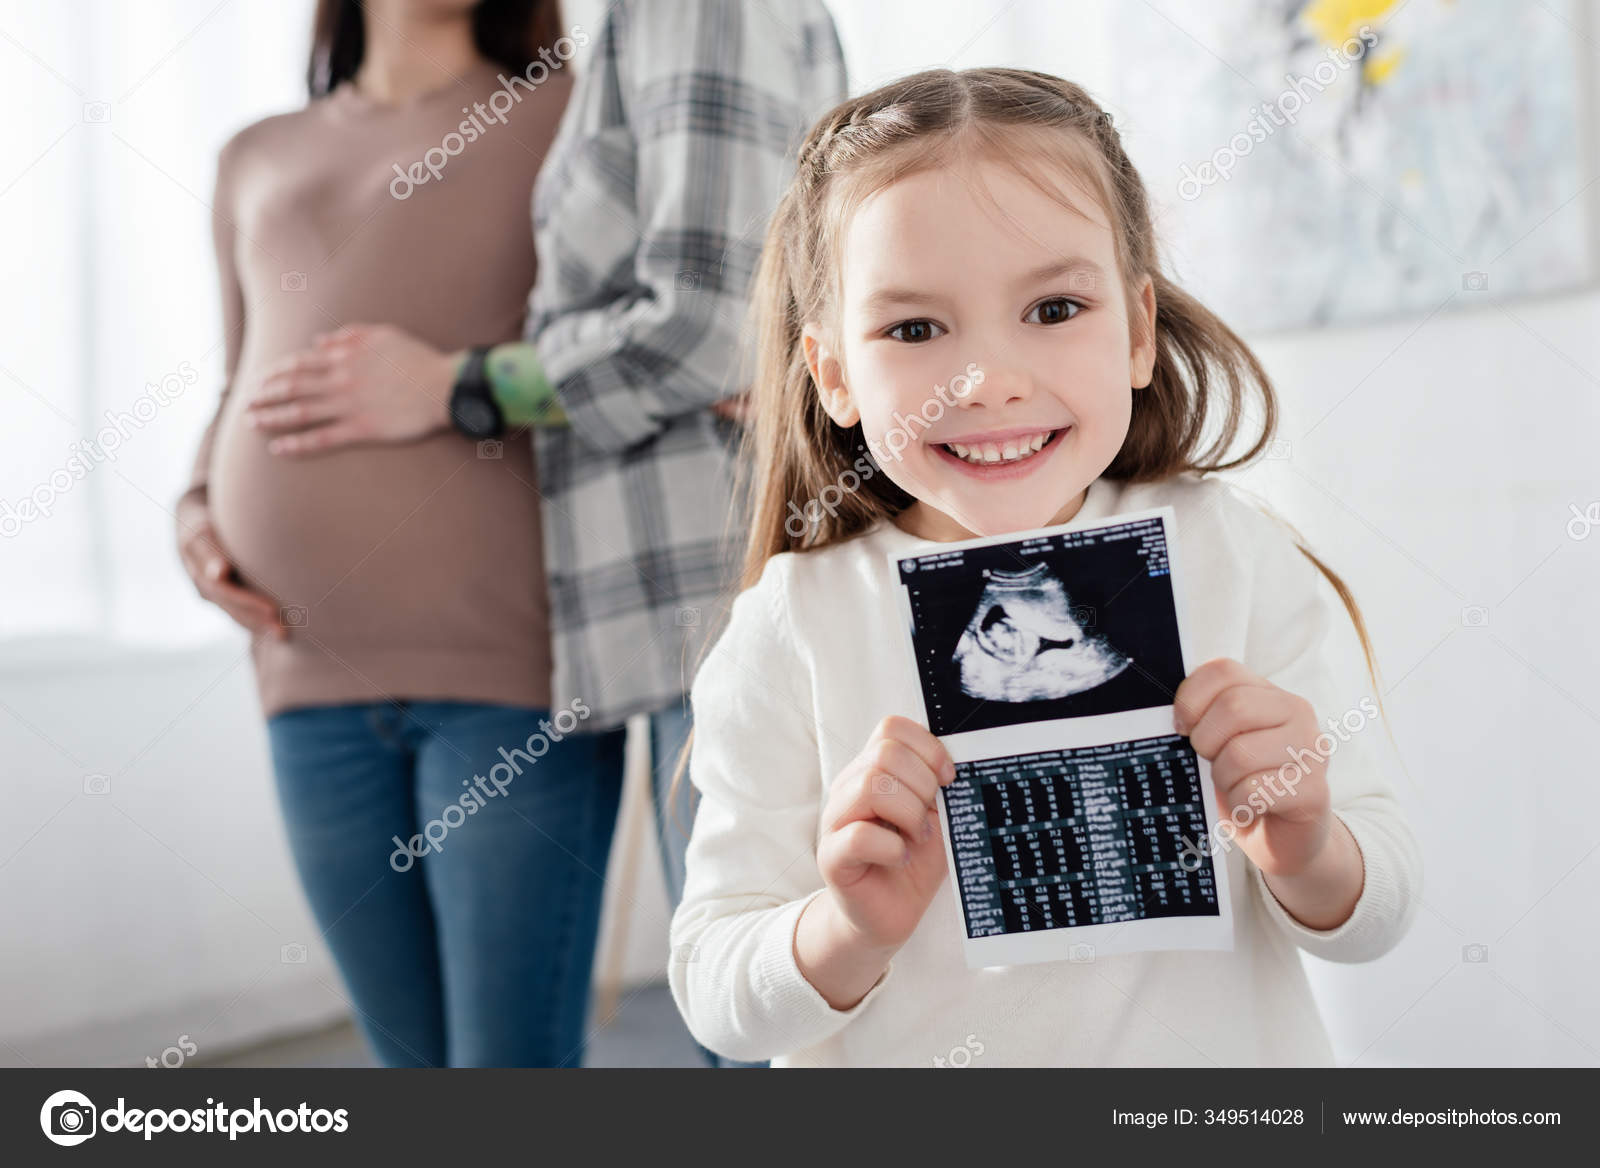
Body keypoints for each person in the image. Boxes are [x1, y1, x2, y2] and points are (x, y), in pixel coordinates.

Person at [667, 67, 1423, 1067]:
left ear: (1138, 329)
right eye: (915, 329)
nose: (991, 382)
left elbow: (1379, 909)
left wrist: (1308, 848)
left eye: (1055, 308)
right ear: (835, 374)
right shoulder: (797, 621)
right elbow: (715, 994)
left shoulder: (1230, 556)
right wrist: (847, 929)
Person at [232, 0, 849, 1066]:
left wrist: (453, 384)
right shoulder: (257, 152)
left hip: (557, 644)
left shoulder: (588, 82)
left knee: (719, 1031)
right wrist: (201, 507)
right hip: (306, 664)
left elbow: (702, 321)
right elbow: (237, 370)